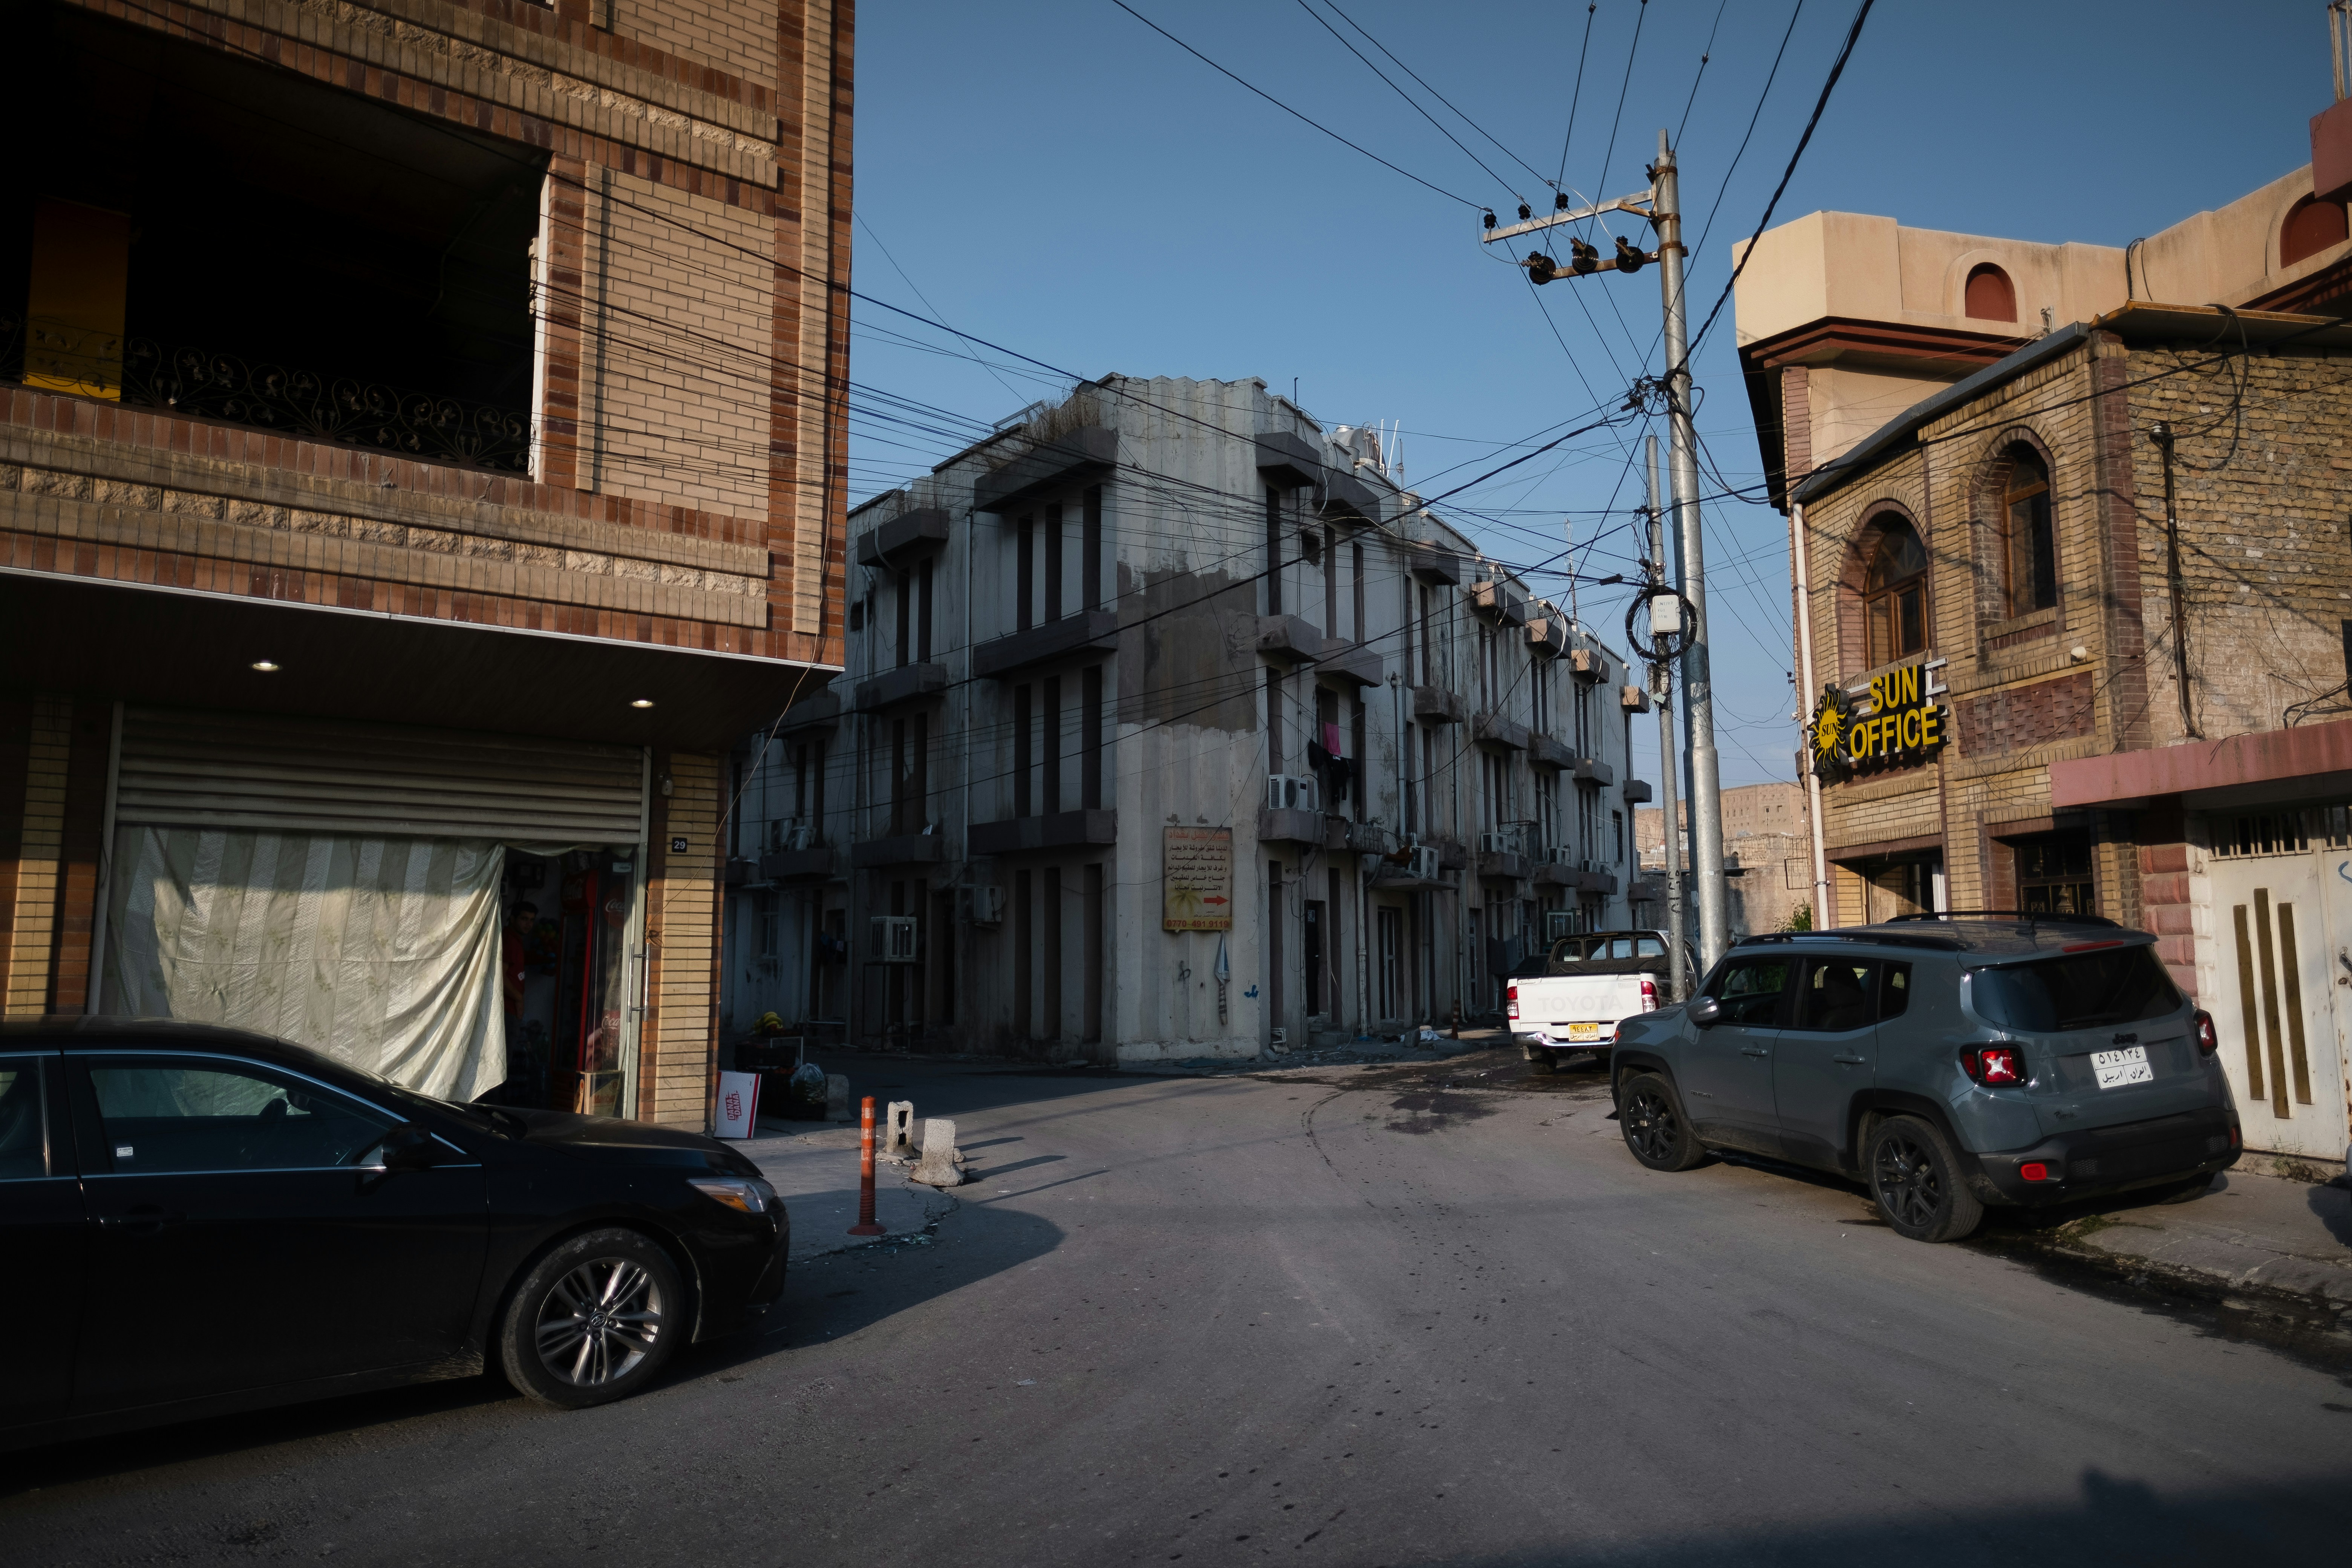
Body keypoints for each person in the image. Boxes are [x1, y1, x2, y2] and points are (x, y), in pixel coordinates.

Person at [502, 902, 539, 1018]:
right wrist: (519, 999)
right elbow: (500, 976)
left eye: (532, 920)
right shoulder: (510, 941)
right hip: (506, 1009)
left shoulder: (516, 940)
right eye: (525, 919)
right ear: (513, 919)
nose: (529, 924)